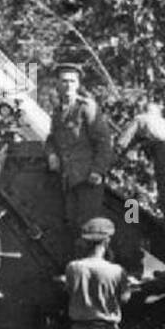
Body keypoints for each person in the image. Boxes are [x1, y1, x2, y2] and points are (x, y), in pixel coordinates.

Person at [63, 217, 131, 329]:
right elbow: (125, 298)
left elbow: (69, 291)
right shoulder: (117, 271)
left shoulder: (73, 267)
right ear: (107, 242)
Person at [45, 63, 114, 238]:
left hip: (87, 179)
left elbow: (104, 142)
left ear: (78, 84)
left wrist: (97, 170)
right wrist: (51, 154)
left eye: (72, 81)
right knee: (71, 226)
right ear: (58, 85)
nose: (68, 85)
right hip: (69, 180)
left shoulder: (86, 107)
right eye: (64, 81)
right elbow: (51, 139)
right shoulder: (58, 113)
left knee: (89, 227)